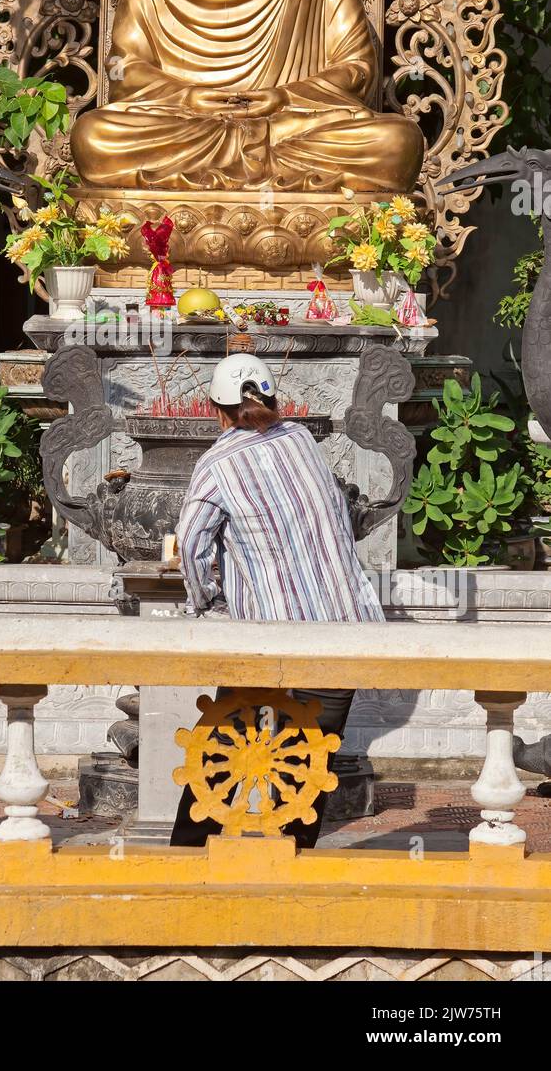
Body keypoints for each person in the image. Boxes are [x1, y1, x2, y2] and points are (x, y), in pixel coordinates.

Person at [170, 353, 383, 849]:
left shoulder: (216, 465)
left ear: (217, 411)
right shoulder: (302, 439)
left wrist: (210, 605)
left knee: (223, 752)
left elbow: (192, 548)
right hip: (341, 629)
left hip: (270, 639)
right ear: (271, 398)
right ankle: (293, 864)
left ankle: (185, 857)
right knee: (309, 763)